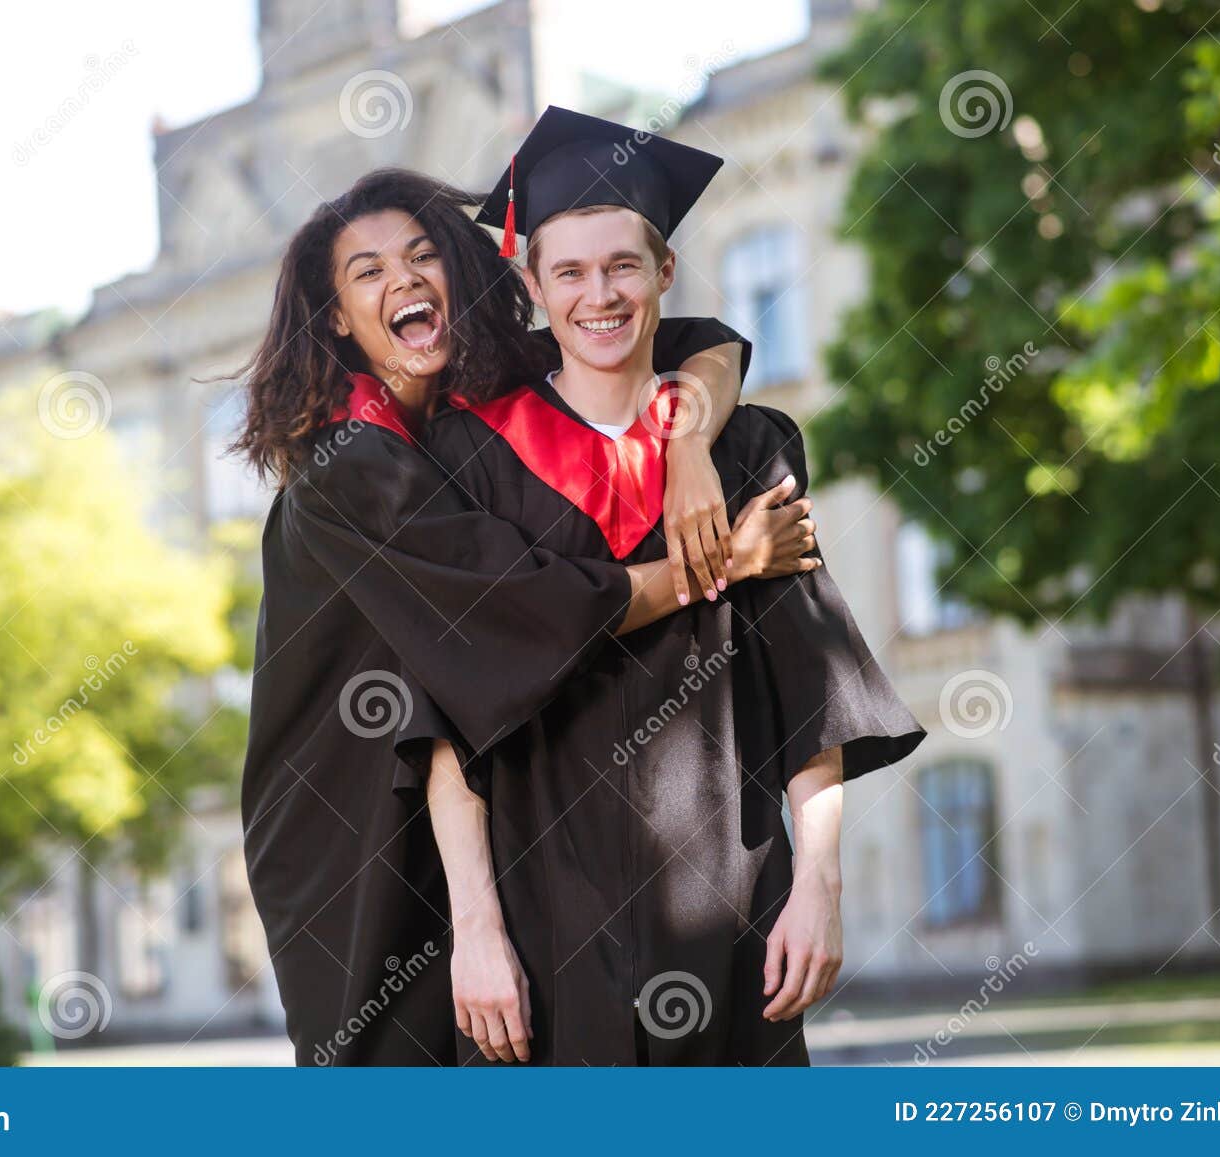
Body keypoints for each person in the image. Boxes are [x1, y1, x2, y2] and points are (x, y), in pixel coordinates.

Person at [230, 167, 822, 1066]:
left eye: (424, 255)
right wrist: (723, 563)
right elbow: (532, 607)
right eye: (368, 273)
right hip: (353, 815)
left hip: (466, 780)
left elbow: (705, 344)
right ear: (337, 320)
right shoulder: (348, 469)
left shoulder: (488, 405)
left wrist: (692, 443)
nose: (405, 281)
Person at [417, 107, 926, 1066]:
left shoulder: (746, 448)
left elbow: (812, 691)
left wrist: (818, 887)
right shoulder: (466, 460)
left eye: (621, 266)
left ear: (666, 276)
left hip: (732, 908)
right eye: (567, 271)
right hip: (541, 923)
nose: (597, 295)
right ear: (531, 284)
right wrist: (475, 927)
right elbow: (442, 718)